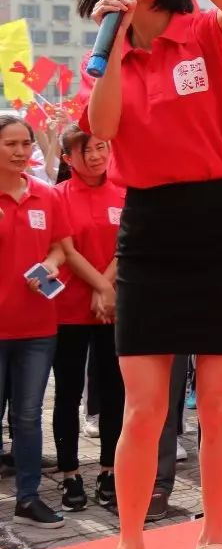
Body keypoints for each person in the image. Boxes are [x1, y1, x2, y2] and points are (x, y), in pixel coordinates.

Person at [83, 0, 222, 549]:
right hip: (150, 227)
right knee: (143, 405)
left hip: (220, 222)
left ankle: (213, 534)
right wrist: (118, 29)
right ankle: (130, 542)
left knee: (219, 399)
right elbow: (102, 125)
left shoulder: (203, 32)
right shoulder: (109, 49)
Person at [51, 126, 125, 514]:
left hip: (111, 310)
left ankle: (110, 470)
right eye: (85, 152)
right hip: (69, 310)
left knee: (114, 392)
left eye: (101, 148)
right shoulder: (57, 197)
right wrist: (102, 286)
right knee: (66, 392)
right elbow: (65, 250)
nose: (96, 156)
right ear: (67, 159)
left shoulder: (124, 191)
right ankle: (70, 474)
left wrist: (106, 289)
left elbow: (127, 243)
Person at [0, 113, 69, 528]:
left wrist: (49, 264)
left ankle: (27, 498)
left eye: (25, 144)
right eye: (10, 144)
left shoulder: (47, 195)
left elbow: (62, 249)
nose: (21, 152)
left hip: (38, 328)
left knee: (27, 416)